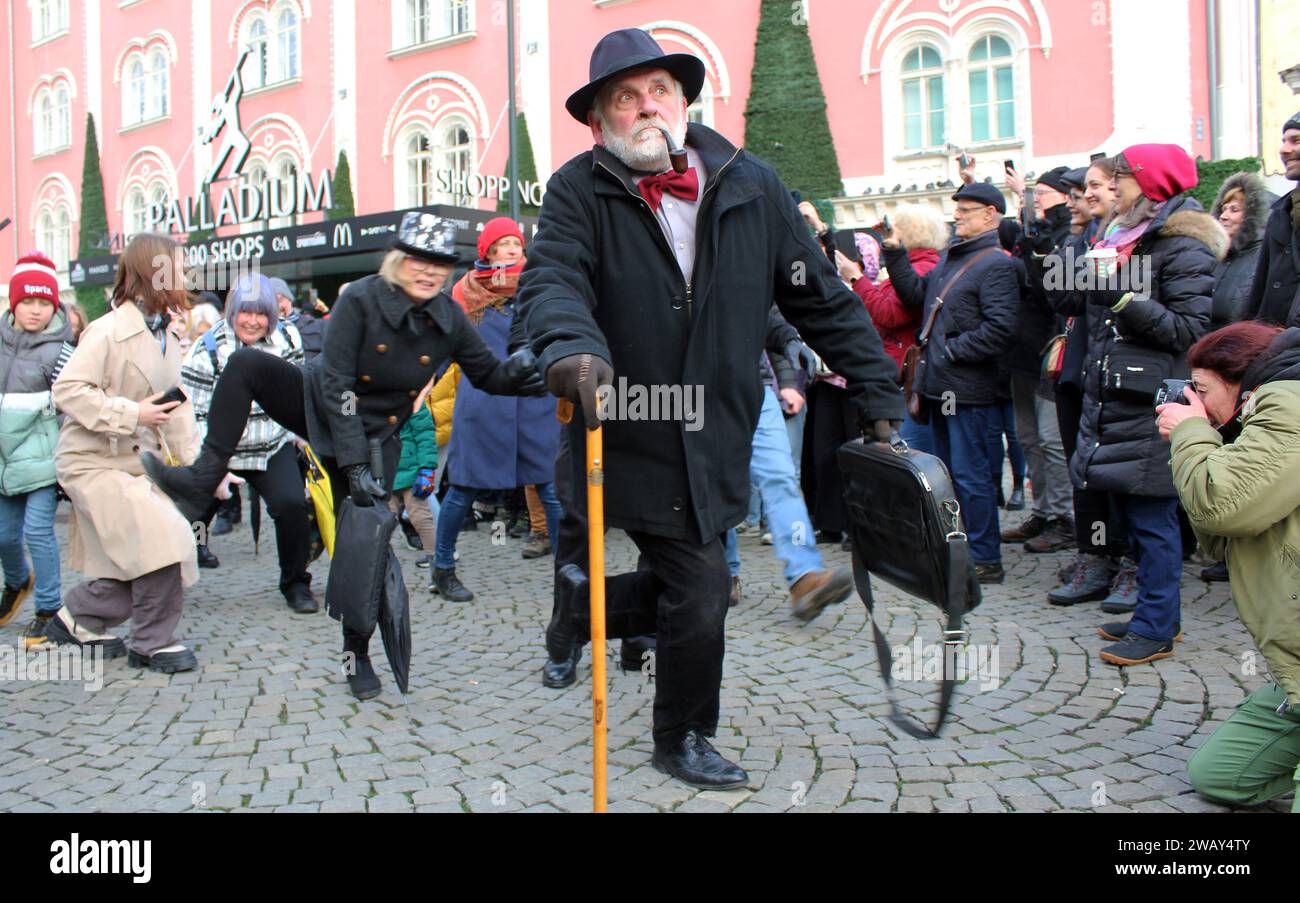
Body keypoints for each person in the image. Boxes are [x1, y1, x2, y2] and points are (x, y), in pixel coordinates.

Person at [519, 28, 903, 789]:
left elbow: (819, 298)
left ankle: (583, 605)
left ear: (685, 102)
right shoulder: (575, 188)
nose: (644, 108)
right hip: (626, 425)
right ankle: (683, 733)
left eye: (657, 90)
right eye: (623, 99)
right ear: (600, 122)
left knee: (686, 585)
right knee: (701, 589)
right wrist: (570, 348)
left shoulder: (751, 184)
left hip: (719, 429)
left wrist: (878, 394)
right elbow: (553, 279)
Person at [140, 212, 546, 699]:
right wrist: (351, 466)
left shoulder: (446, 316)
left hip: (381, 436)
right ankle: (200, 479)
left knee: (364, 544)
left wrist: (527, 366)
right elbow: (336, 386)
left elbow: (489, 376)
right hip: (321, 405)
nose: (428, 272)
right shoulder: (360, 298)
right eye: (418, 260)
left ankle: (358, 653)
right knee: (246, 363)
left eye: (439, 265)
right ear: (398, 258)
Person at [1057, 144, 1221, 665]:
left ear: (1148, 183)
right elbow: (1067, 297)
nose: (1108, 186)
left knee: (1154, 520)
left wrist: (1123, 297)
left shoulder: (1183, 246)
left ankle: (1156, 628)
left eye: (1120, 178)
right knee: (1132, 515)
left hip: (1153, 401)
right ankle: (1153, 613)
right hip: (1117, 396)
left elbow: (1190, 332)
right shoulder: (1120, 237)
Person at [1155, 322, 1300, 811]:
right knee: (1220, 776)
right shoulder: (1253, 422)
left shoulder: (1288, 405)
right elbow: (1218, 543)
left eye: (1201, 391)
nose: (1193, 402)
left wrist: (1192, 432)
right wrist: (1208, 434)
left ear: (1241, 382)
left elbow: (1221, 508)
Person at [45, 234, 201, 673]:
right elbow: (68, 390)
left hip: (133, 462)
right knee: (163, 539)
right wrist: (131, 413)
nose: (185, 275)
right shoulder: (108, 330)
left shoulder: (166, 331)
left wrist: (197, 466)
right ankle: (152, 642)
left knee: (130, 561)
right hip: (92, 461)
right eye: (176, 267)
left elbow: (175, 403)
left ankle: (77, 618)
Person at [881, 181, 1021, 583]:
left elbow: (1001, 329)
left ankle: (985, 556)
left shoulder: (997, 264)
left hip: (969, 390)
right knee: (943, 475)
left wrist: (951, 351)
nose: (956, 215)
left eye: (966, 209)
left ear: (990, 214)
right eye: (956, 208)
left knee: (971, 475)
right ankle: (955, 547)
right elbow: (913, 295)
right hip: (936, 385)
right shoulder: (950, 260)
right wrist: (894, 252)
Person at [432, 217, 563, 601]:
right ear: (487, 250)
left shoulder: (540, 283)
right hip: (483, 400)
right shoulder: (463, 291)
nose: (510, 249)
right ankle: (442, 568)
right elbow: (444, 346)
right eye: (502, 243)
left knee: (551, 489)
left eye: (516, 244)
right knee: (462, 489)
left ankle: (567, 573)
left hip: (536, 399)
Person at [181, 274, 316, 612]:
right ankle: (165, 583)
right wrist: (212, 467)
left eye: (262, 314)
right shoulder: (207, 348)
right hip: (221, 453)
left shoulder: (288, 337)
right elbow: (192, 413)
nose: (253, 322)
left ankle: (296, 583)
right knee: (188, 517)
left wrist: (299, 436)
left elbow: (299, 391)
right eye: (246, 313)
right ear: (232, 312)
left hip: (271, 445)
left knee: (292, 507)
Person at [0, 252, 74, 649]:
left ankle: (49, 610)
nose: (35, 310)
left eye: (44, 303)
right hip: (4, 464)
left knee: (38, 532)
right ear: (14, 303)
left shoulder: (62, 352)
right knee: (3, 537)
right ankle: (16, 582)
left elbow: (72, 408)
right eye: (27, 301)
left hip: (43, 463)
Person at [1000, 167, 1076, 552]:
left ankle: (1064, 519)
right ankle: (1043, 511)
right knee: (1029, 439)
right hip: (1024, 351)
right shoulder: (1033, 235)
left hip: (1052, 350)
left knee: (1050, 440)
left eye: (1041, 193)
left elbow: (1051, 294)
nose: (1035, 200)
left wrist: (1035, 239)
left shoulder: (1066, 236)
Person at [852, 204, 947, 454]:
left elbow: (890, 314)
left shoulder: (922, 266)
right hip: (897, 370)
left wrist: (856, 279)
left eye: (896, 227)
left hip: (907, 373)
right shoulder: (910, 263)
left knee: (911, 453)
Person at [1244, 113, 1300, 327]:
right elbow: (1259, 292)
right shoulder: (1282, 211)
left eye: (1296, 140)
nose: (1284, 149)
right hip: (1274, 345)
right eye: (1284, 140)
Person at [1210, 173, 1275, 332]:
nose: (1224, 216)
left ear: (1253, 215)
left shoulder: (1266, 256)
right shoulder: (1215, 254)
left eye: (1234, 209)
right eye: (1223, 209)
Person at [389, 404, 439, 591]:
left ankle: (439, 571)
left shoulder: (413, 398)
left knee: (421, 519)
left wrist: (427, 467)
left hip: (412, 471)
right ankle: (379, 572)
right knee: (383, 523)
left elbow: (425, 433)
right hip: (385, 471)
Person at [270, 277, 326, 362]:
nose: (276, 306)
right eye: (271, 302)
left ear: (290, 300)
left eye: (279, 300)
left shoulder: (317, 325)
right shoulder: (265, 333)